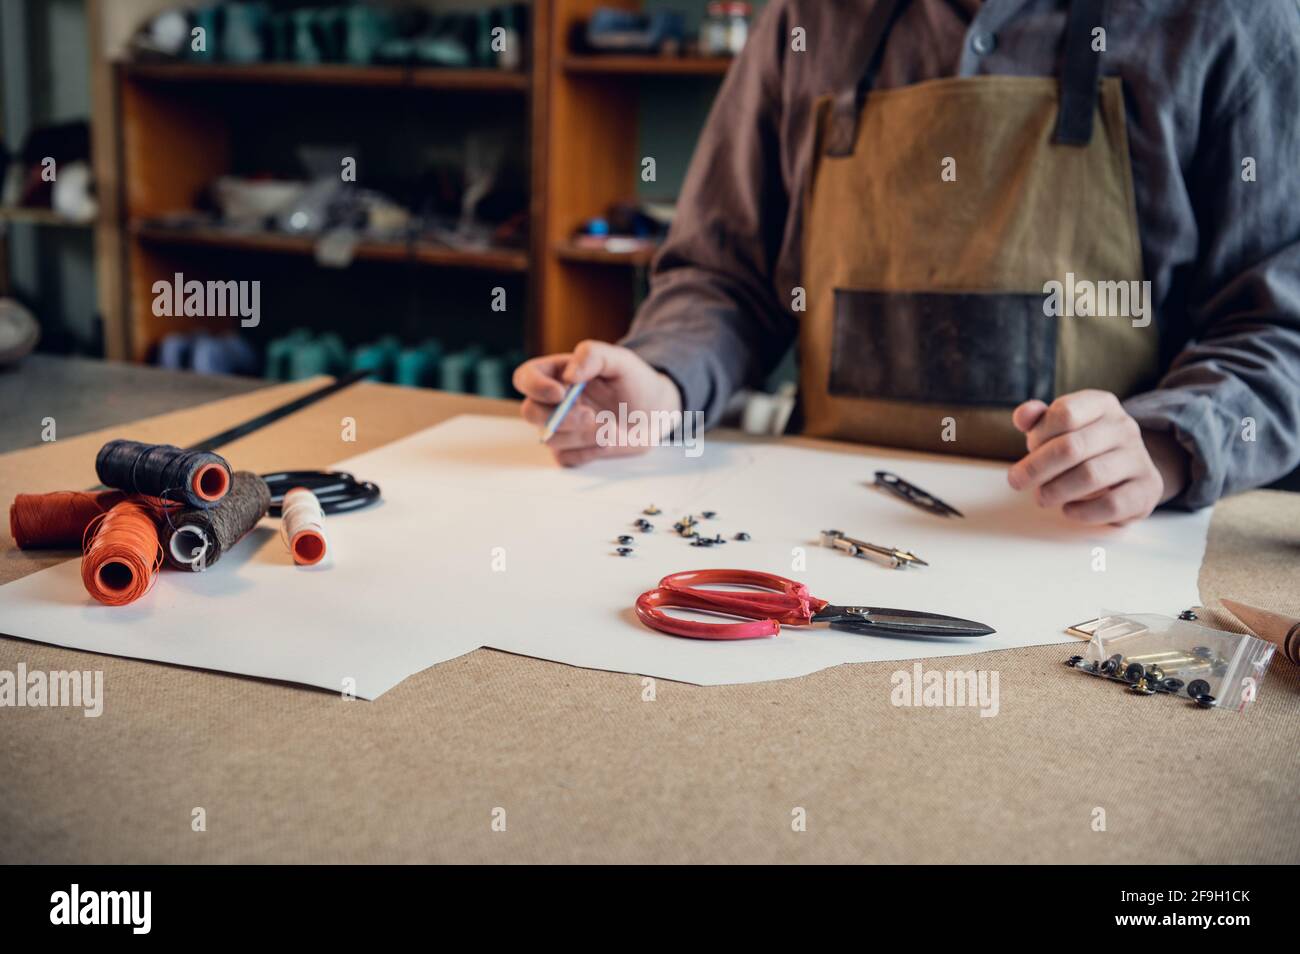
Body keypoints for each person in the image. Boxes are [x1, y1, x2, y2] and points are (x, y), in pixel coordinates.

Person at [515, 0, 1300, 525]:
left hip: (1092, 558)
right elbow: (727, 277)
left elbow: (1280, 327)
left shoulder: (1233, 21)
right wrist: (665, 381)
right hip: (824, 533)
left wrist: (1163, 447)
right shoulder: (808, 19)